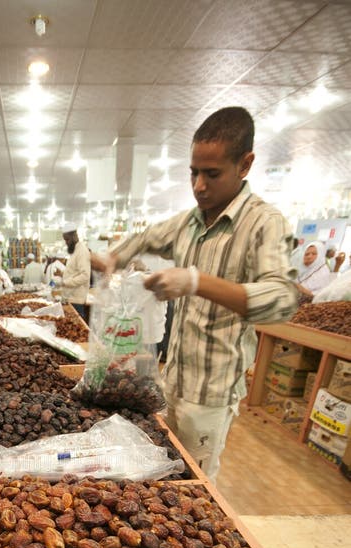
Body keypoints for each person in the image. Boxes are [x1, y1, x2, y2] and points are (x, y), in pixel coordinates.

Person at [92, 106, 297, 481]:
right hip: (171, 381)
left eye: (212, 174)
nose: (199, 185)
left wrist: (196, 282)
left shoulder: (263, 223)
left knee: (194, 481)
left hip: (210, 394)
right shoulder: (189, 222)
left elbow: (282, 299)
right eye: (193, 172)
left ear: (245, 164)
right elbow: (147, 236)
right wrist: (112, 259)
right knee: (162, 472)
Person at [61, 224, 91, 321]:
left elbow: (85, 275)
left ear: (74, 236)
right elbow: (74, 272)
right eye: (65, 240)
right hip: (70, 298)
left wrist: (65, 283)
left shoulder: (82, 251)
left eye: (67, 239)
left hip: (76, 301)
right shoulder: (75, 251)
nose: (66, 243)